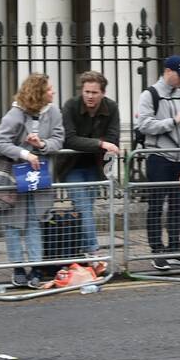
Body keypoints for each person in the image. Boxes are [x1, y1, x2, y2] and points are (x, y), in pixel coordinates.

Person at [0, 73, 64, 288]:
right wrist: (25, 153)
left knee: (35, 221)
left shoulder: (54, 112)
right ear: (39, 93)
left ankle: (35, 268)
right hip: (15, 176)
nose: (53, 92)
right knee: (13, 224)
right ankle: (18, 268)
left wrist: (42, 145)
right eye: (49, 89)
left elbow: (59, 139)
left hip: (39, 176)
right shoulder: (15, 113)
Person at [135, 55, 180, 270]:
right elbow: (144, 125)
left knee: (177, 204)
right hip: (159, 157)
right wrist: (172, 121)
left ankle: (175, 249)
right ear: (168, 72)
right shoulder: (150, 95)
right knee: (155, 205)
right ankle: (157, 251)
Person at [57, 71, 121, 255]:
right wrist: (100, 143)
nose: (90, 96)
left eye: (94, 92)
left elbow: (113, 138)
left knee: (85, 209)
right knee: (83, 206)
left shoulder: (111, 107)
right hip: (71, 166)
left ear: (102, 93)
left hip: (95, 166)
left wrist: (99, 143)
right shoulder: (71, 106)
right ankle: (93, 252)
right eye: (86, 92)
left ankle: (80, 251)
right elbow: (69, 140)